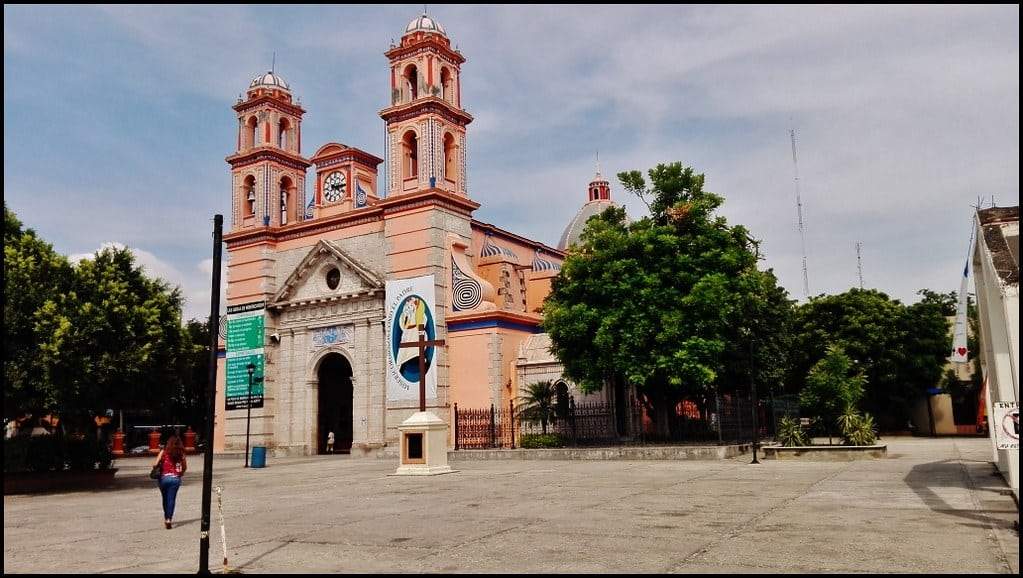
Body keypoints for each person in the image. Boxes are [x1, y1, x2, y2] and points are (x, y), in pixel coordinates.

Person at [153, 435, 187, 529]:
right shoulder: (181, 454)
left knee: (165, 498)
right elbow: (184, 467)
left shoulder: (163, 452)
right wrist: (181, 473)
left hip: (163, 478)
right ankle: (169, 519)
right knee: (171, 499)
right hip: (175, 479)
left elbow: (155, 464)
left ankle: (166, 517)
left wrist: (158, 467)